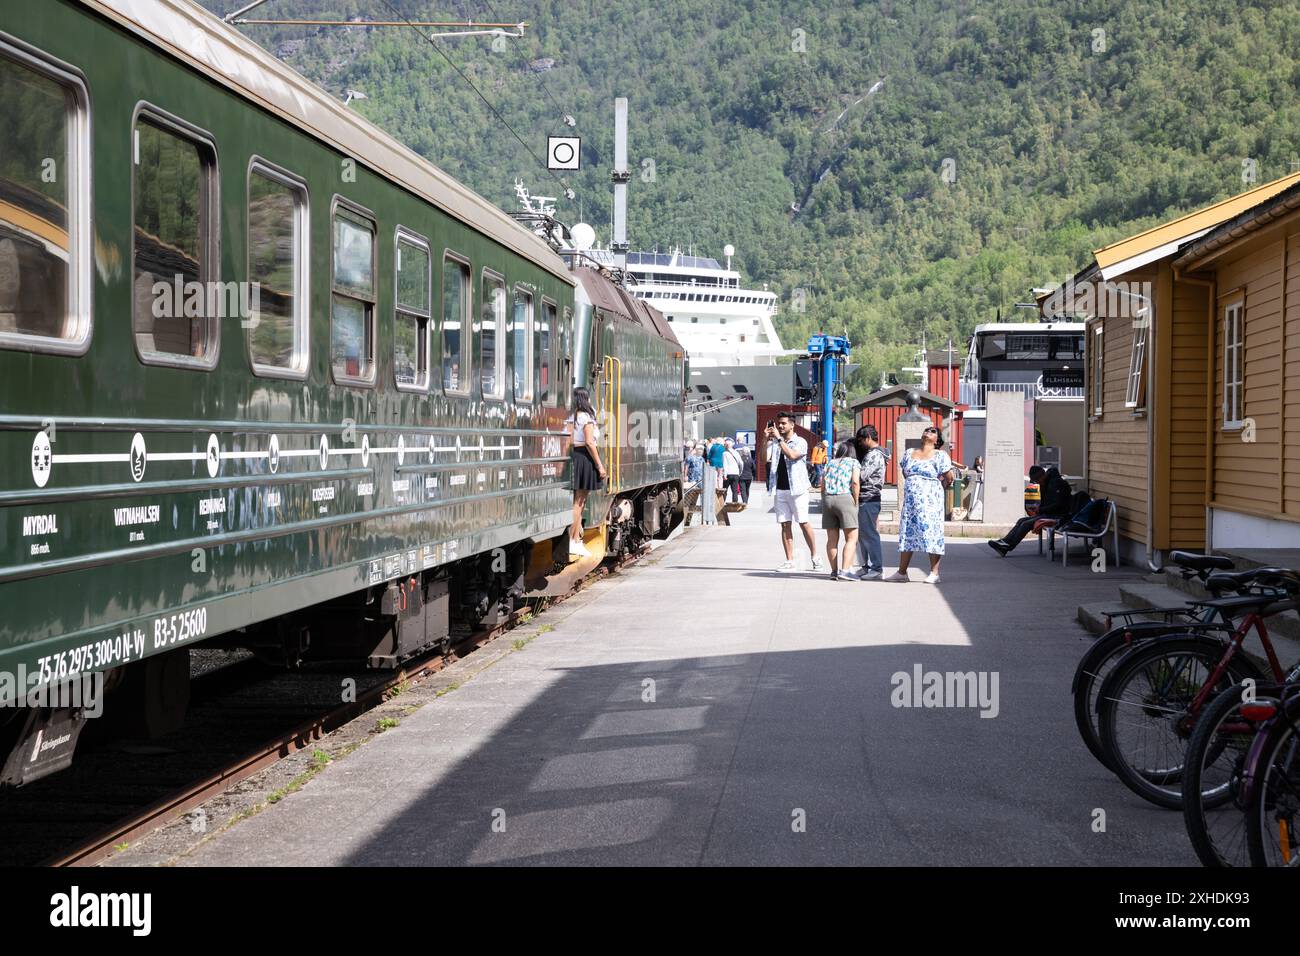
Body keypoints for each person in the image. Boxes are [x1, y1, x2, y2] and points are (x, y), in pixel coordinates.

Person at [886, 425, 952, 583]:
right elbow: (905, 472)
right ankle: (902, 572)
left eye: (933, 431)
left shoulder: (940, 455)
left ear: (938, 440)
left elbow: (948, 477)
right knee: (907, 533)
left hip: (931, 501)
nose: (928, 432)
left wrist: (934, 490)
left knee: (932, 533)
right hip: (911, 502)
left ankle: (934, 573)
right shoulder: (909, 453)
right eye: (927, 430)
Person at [766, 413, 823, 572]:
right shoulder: (777, 442)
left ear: (792, 425)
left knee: (803, 523)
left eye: (783, 423)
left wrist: (778, 439)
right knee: (785, 525)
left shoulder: (800, 441)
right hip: (780, 489)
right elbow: (766, 459)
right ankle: (789, 560)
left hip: (797, 489)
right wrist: (767, 440)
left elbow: (792, 455)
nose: (780, 426)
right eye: (779, 424)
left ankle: (815, 556)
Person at [987, 464, 1073, 555]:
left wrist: (1040, 510)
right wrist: (1039, 509)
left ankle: (1007, 546)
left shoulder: (1057, 483)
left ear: (1043, 475)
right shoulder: (1045, 483)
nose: (1038, 483)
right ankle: (1004, 542)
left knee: (1026, 524)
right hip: (1049, 513)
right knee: (1021, 520)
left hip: (1059, 515)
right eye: (1036, 481)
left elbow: (1059, 504)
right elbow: (1046, 502)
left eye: (1038, 480)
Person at [565, 388, 607, 559]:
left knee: (577, 501)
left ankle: (574, 540)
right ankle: (573, 541)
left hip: (573, 456)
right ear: (585, 398)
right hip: (585, 458)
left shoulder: (571, 417)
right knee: (579, 502)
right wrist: (599, 465)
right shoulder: (586, 417)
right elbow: (590, 442)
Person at [820, 441, 860, 580]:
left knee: (831, 539)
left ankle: (834, 571)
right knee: (851, 538)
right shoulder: (854, 463)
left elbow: (822, 484)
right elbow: (855, 482)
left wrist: (824, 500)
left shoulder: (830, 463)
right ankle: (845, 571)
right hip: (845, 498)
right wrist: (856, 500)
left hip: (828, 499)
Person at [853, 424, 888, 580]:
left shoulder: (874, 455)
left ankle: (876, 568)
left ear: (868, 438)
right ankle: (866, 566)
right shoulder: (876, 453)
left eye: (861, 440)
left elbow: (862, 475)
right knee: (863, 534)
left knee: (869, 534)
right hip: (866, 498)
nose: (859, 443)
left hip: (869, 498)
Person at [703, 437, 727, 525]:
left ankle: (715, 486)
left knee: (714, 475)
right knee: (720, 476)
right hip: (720, 462)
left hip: (713, 461)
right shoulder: (722, 448)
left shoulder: (712, 446)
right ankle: (719, 486)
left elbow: (709, 455)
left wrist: (708, 460)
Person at [722, 438, 743, 502]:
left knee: (725, 490)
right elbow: (741, 463)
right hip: (736, 473)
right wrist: (740, 472)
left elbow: (725, 465)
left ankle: (722, 503)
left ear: (726, 445)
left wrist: (724, 475)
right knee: (735, 490)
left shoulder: (724, 453)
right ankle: (735, 503)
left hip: (728, 473)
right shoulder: (736, 452)